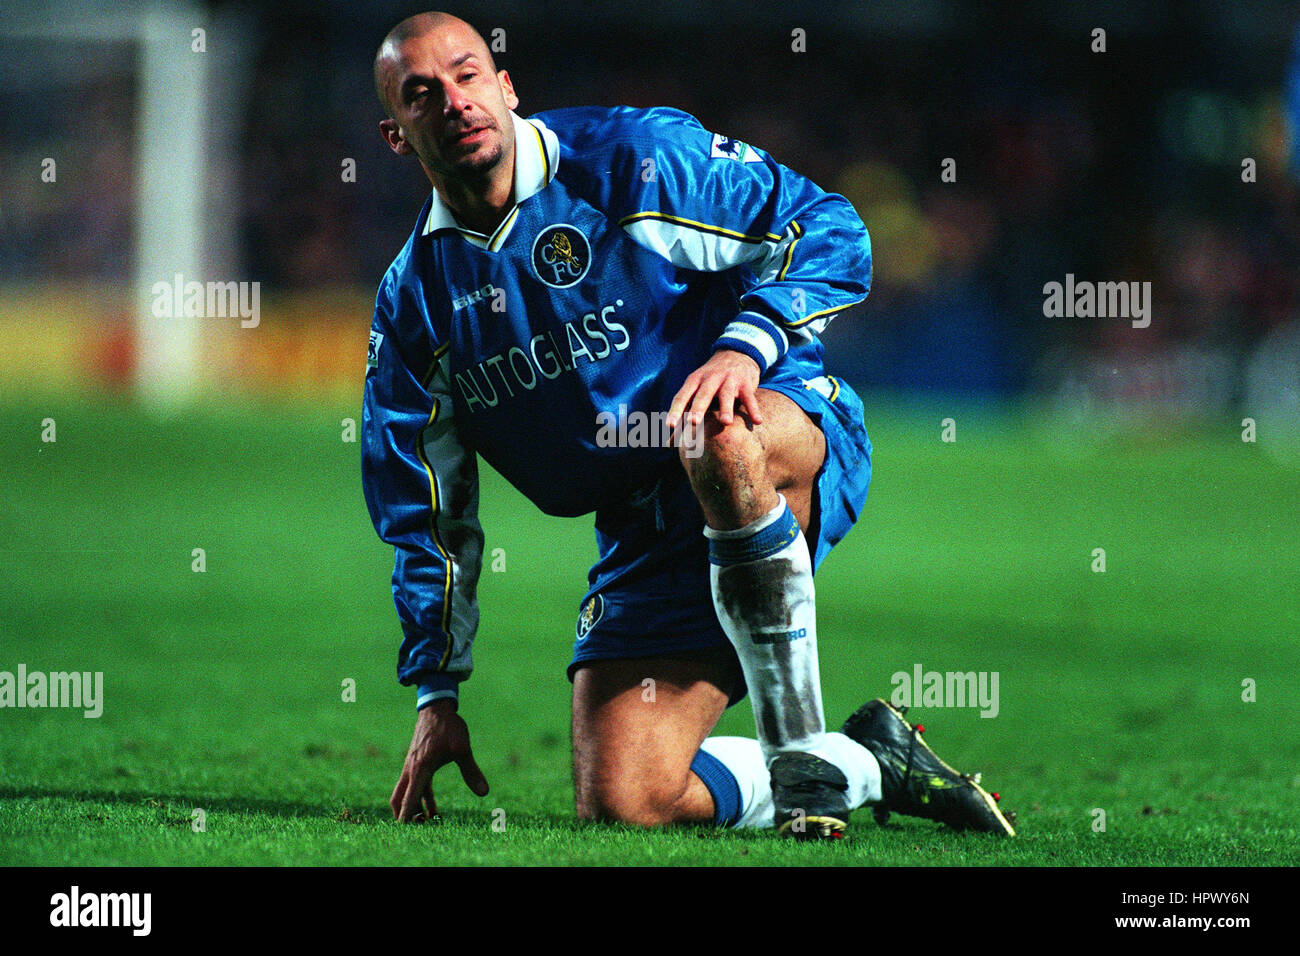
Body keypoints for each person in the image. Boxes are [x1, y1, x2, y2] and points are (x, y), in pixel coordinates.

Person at [363, 11, 1015, 838]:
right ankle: (864, 762)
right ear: (396, 135)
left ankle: (799, 754)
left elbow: (825, 223)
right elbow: (424, 512)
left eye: (466, 75)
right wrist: (436, 693)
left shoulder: (633, 159)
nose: (454, 101)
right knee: (626, 801)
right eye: (423, 94)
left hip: (777, 427)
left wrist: (745, 346)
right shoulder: (416, 303)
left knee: (711, 432)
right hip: (645, 531)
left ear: (506, 86)